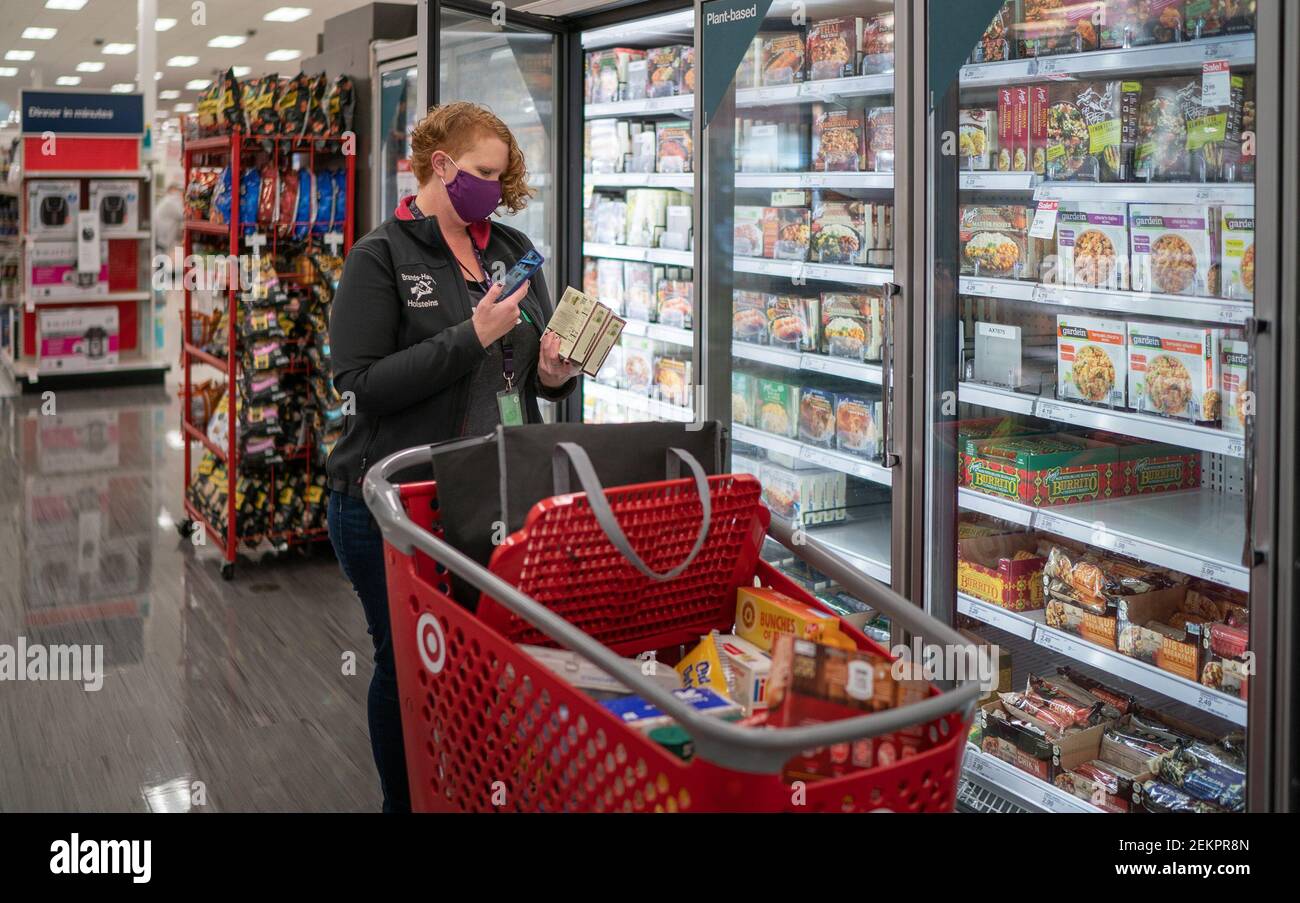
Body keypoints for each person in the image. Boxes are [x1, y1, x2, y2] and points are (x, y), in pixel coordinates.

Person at [325, 102, 580, 812]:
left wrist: (556, 372)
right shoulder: (380, 256)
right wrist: (468, 335)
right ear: (442, 166)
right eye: (484, 174)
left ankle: (471, 788)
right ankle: (406, 800)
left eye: (503, 177)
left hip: (492, 494)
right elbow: (361, 383)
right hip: (391, 501)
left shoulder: (509, 248)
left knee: (478, 661)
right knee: (407, 661)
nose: (495, 189)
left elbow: (526, 373)